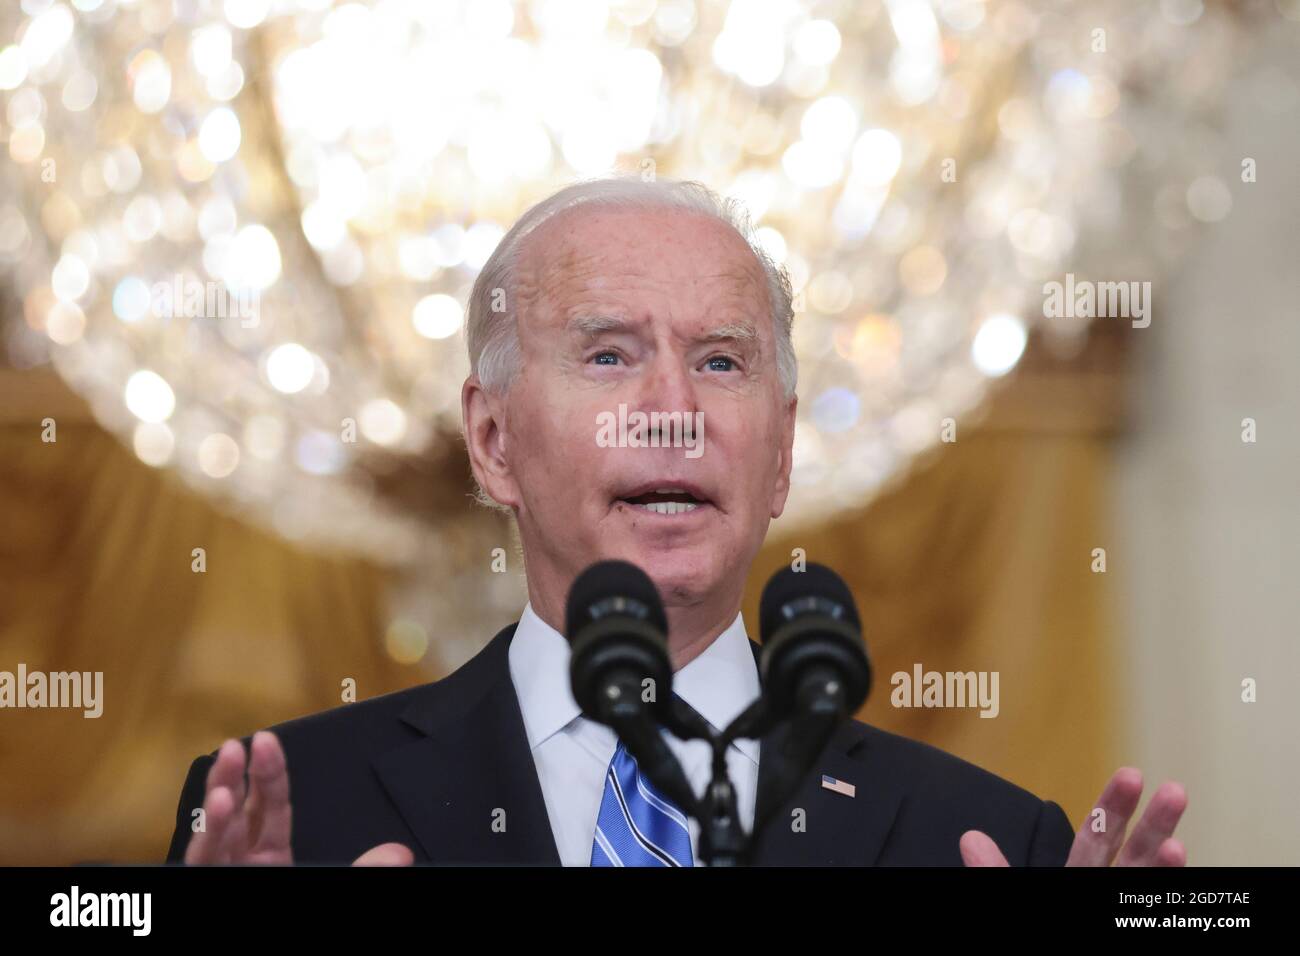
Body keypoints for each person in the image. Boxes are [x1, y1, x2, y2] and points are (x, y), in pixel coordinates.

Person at [166, 176, 1187, 867]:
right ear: (491, 439)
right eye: (608, 355)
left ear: (780, 451)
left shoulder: (979, 836)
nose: (672, 409)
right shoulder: (291, 812)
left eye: (720, 360)